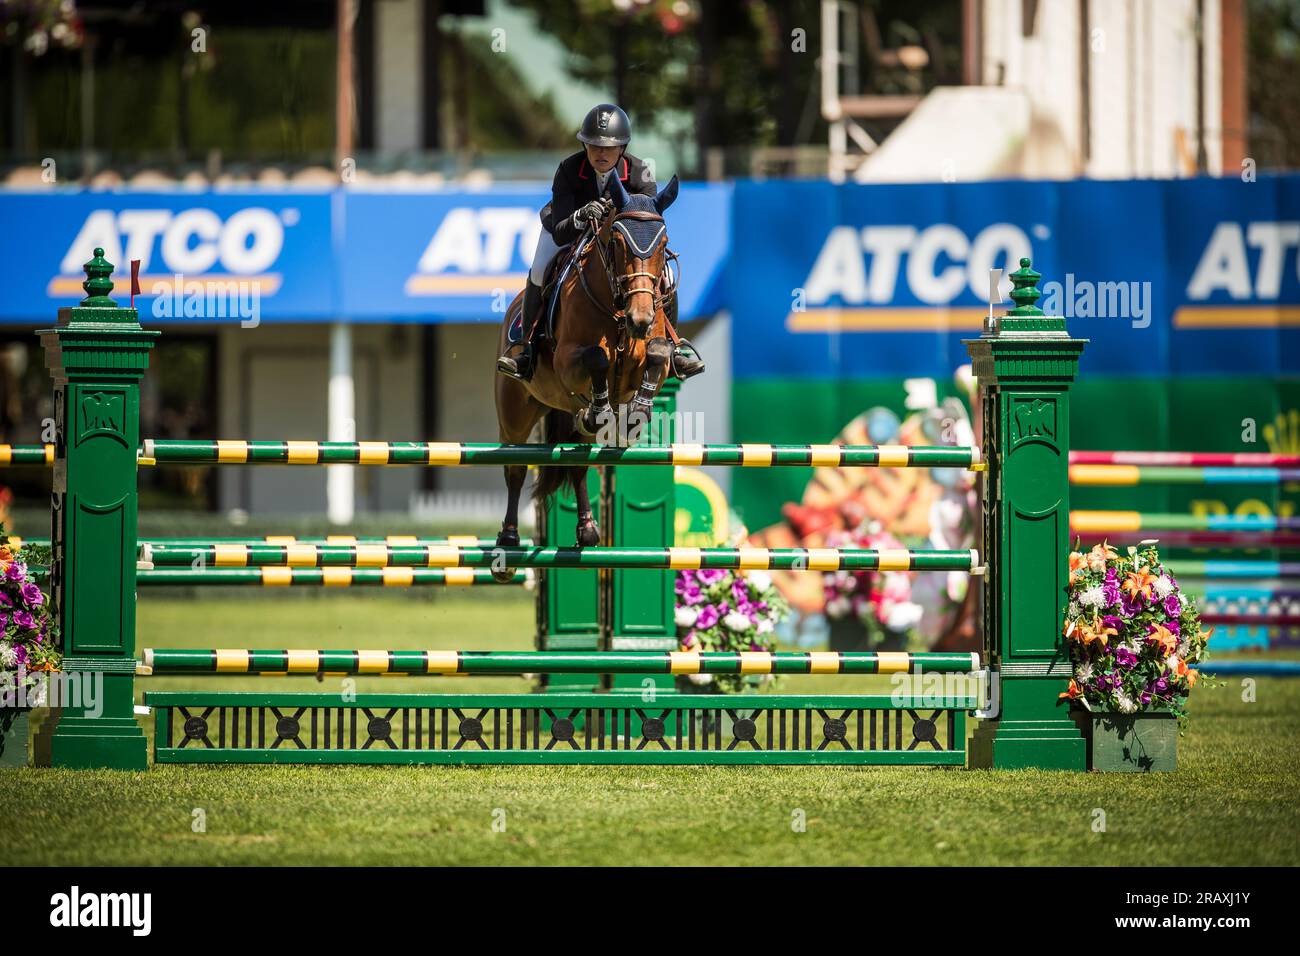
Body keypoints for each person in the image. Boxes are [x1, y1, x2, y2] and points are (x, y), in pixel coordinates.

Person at [497, 103, 705, 382]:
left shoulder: (640, 172)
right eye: (594, 146)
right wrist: (581, 216)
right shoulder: (569, 170)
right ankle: (527, 348)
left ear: (622, 147)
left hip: (619, 237)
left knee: (664, 271)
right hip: (567, 229)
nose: (601, 153)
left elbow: (646, 219)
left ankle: (672, 345)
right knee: (538, 269)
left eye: (609, 147)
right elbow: (560, 231)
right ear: (585, 146)